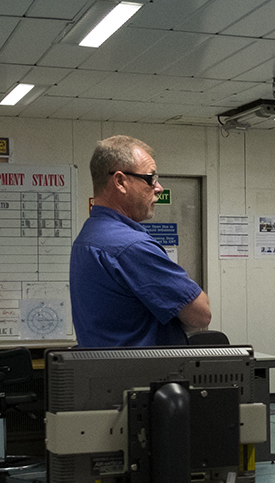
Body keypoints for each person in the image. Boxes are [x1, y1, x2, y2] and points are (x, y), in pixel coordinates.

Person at [70, 135, 212, 348]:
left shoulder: (88, 237)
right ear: (120, 182)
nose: (158, 188)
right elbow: (201, 315)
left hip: (107, 374)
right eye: (150, 178)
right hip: (144, 377)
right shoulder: (130, 246)